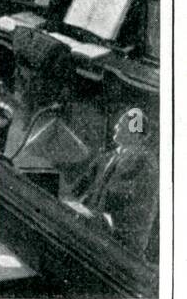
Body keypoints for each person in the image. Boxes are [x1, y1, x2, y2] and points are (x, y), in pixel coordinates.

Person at [68, 108, 159, 257]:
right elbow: (85, 186)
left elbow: (124, 198)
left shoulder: (144, 160)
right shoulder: (110, 156)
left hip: (123, 243)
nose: (115, 127)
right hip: (101, 230)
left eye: (121, 125)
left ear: (135, 134)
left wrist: (93, 211)